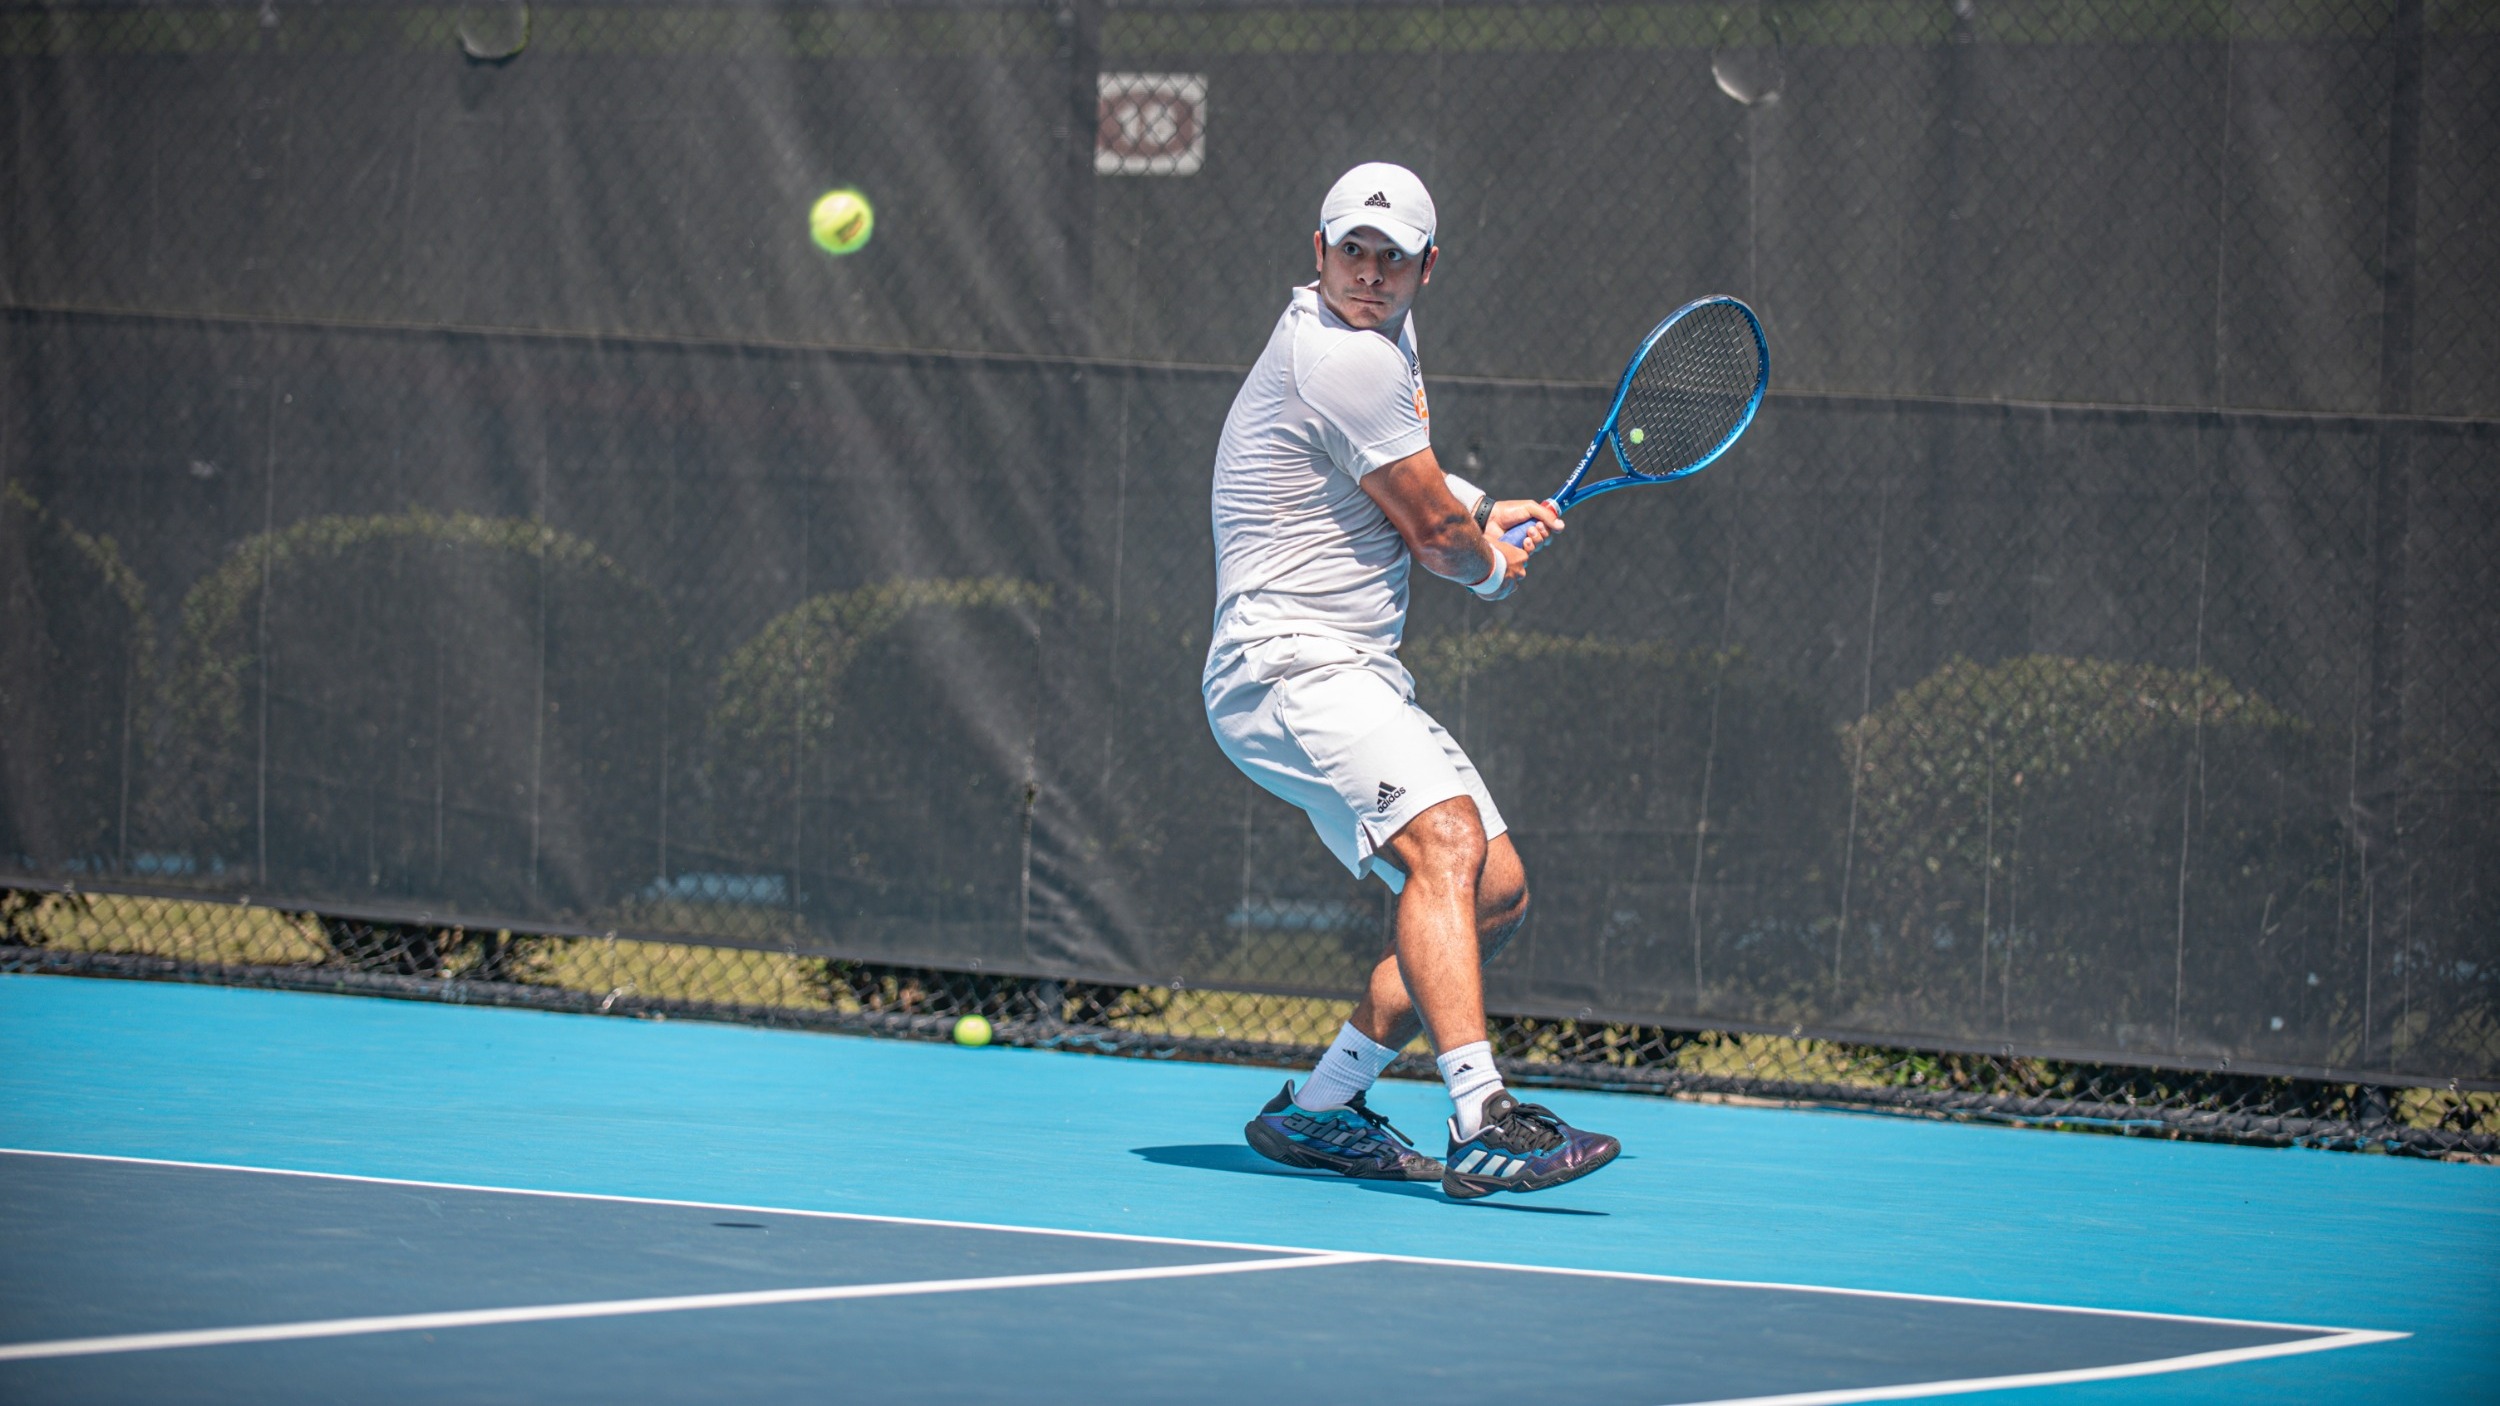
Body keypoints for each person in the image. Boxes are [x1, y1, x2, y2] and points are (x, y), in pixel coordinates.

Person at [1203, 162, 1619, 1200]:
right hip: (1283, 658)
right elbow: (1432, 533)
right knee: (1444, 840)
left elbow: (1399, 472)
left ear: (1426, 267)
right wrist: (1488, 562)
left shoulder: (1383, 344)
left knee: (1495, 887)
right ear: (1318, 250)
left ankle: (1321, 1106)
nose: (1370, 273)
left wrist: (1483, 503)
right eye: (1352, 249)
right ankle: (1483, 1116)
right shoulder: (1341, 353)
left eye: (1392, 258)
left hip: (1347, 666)